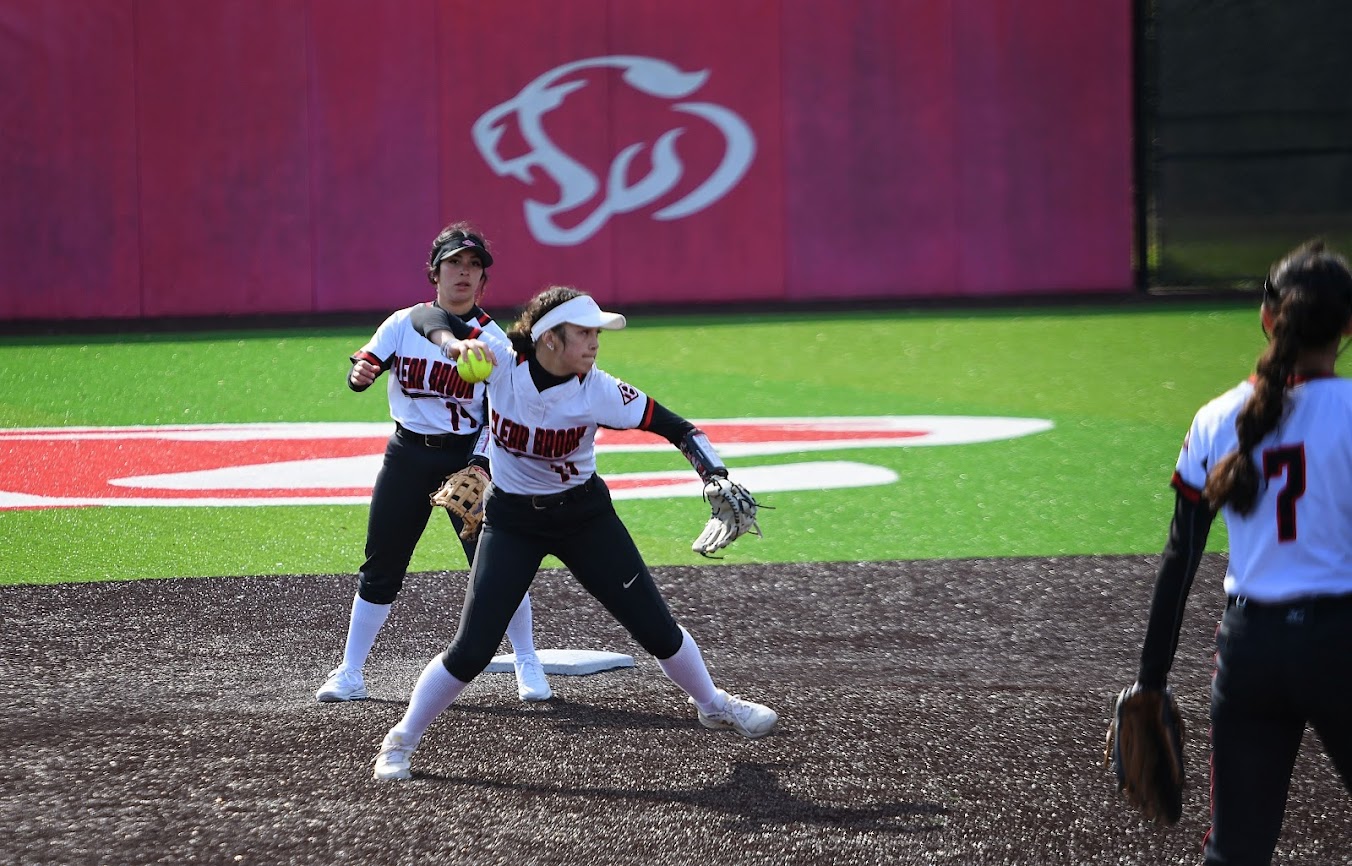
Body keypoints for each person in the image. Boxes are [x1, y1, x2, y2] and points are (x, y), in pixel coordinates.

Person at [369, 286, 776, 780]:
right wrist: (450, 343)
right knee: (473, 648)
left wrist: (714, 473)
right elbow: (423, 315)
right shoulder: (499, 358)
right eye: (583, 332)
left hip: (585, 519)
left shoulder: (598, 388)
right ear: (549, 339)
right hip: (513, 521)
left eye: (596, 333)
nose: (595, 342)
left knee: (655, 628)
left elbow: (680, 428)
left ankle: (712, 703)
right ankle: (401, 740)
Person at [1124, 239, 1352, 864]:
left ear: (1266, 316)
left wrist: (1151, 679)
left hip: (1251, 653)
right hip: (1340, 644)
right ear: (1349, 325)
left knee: (1236, 850)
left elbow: (1180, 559)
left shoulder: (1216, 417)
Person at [316, 223, 552, 705]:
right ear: (435, 272)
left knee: (496, 567)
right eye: (454, 264)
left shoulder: (495, 342)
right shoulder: (405, 322)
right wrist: (359, 373)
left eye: (474, 266)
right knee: (382, 564)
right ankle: (351, 671)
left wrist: (483, 463)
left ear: (483, 281)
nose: (464, 273)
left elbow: (505, 413)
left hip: (467, 457)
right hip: (406, 456)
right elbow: (364, 369)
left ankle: (528, 661)